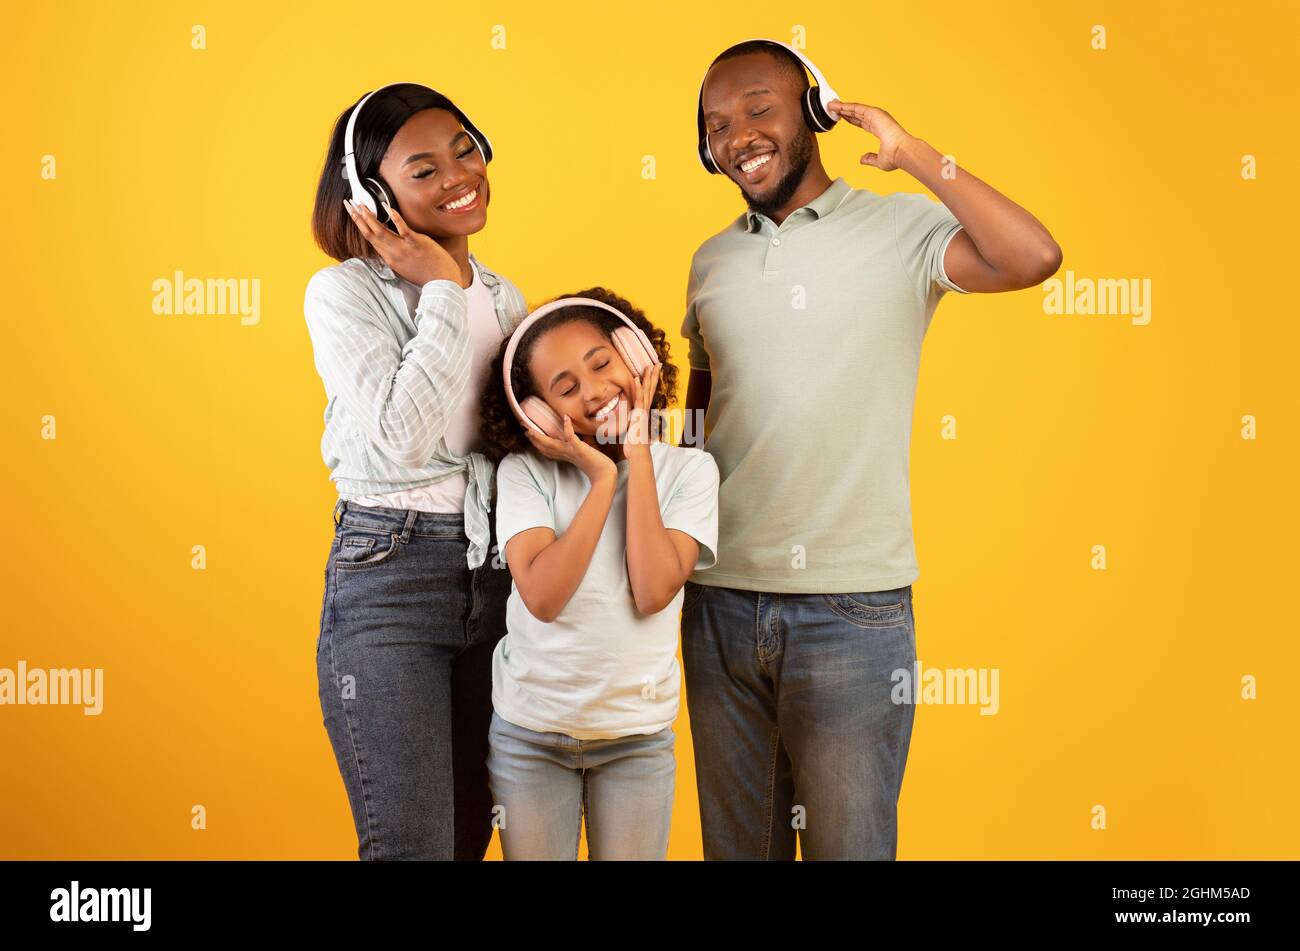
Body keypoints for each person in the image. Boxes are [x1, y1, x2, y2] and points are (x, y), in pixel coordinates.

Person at [680, 39, 1063, 860]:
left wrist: (915, 153)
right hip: (716, 602)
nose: (736, 134)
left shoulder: (905, 230)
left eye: (758, 108)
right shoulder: (710, 261)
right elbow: (693, 426)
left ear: (814, 109)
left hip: (853, 610)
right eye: (715, 124)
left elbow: (1034, 256)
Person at [304, 82, 527, 860]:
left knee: (470, 839)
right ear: (373, 195)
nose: (458, 174)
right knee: (414, 847)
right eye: (423, 169)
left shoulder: (505, 297)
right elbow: (401, 433)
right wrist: (442, 288)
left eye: (465, 148)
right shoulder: (340, 295)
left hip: (497, 580)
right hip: (391, 578)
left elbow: (514, 450)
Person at [476, 288, 720, 859]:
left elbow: (654, 589)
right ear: (537, 413)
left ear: (636, 356)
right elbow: (542, 595)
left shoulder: (690, 469)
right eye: (565, 388)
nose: (594, 391)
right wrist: (601, 482)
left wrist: (635, 457)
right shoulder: (524, 473)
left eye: (601, 364)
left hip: (636, 741)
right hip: (529, 736)